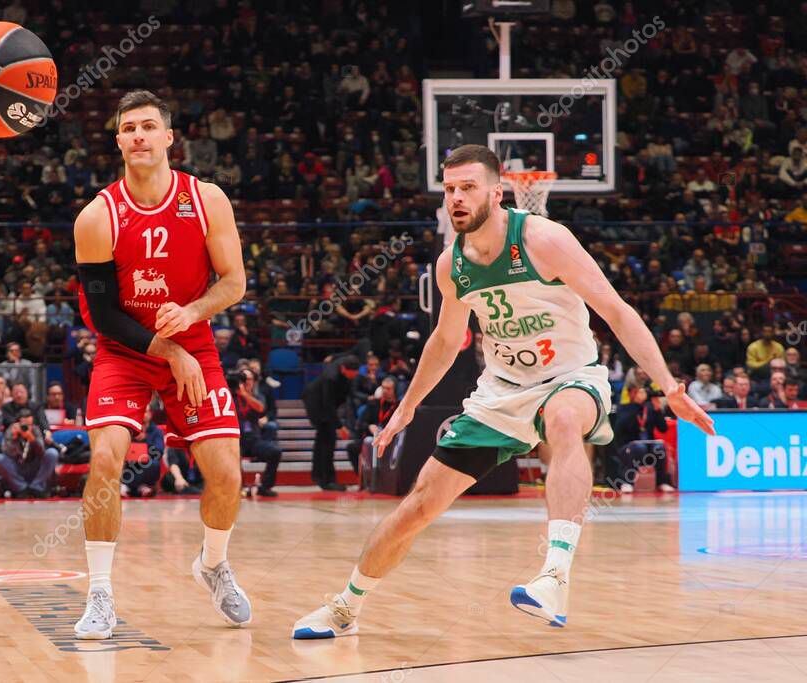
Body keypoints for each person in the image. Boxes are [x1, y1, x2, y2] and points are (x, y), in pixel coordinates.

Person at [292, 144, 714, 638]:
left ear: (498, 191)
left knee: (561, 422)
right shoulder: (452, 265)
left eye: (468, 187)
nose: (456, 198)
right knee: (419, 505)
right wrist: (406, 407)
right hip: (500, 392)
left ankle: (554, 577)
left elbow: (617, 311)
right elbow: (447, 340)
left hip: (569, 376)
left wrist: (669, 385)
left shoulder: (545, 240)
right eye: (450, 189)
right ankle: (344, 608)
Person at [73, 90, 249, 639]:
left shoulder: (207, 200)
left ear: (170, 137)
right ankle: (100, 593)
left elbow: (235, 284)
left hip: (194, 346)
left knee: (225, 473)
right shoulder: (97, 216)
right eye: (129, 129)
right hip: (128, 352)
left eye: (149, 127)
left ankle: (213, 564)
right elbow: (103, 316)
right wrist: (167, 349)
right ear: (119, 140)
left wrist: (191, 316)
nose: (140, 137)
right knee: (105, 461)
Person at [301, 355, 360, 491]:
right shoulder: (330, 378)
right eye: (353, 372)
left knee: (322, 440)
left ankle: (318, 476)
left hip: (325, 402)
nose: (355, 375)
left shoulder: (343, 364)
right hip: (316, 404)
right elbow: (328, 405)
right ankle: (327, 481)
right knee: (328, 440)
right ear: (344, 369)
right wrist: (339, 427)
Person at [614, 387, 673, 493]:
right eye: (639, 392)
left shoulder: (650, 409)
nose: (642, 394)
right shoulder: (624, 408)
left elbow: (663, 429)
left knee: (659, 447)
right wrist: (635, 407)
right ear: (633, 394)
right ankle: (627, 482)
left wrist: (658, 410)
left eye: (643, 392)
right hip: (628, 445)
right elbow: (621, 427)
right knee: (639, 447)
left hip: (648, 445)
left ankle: (662, 482)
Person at [234, 369, 281, 497]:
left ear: (254, 382)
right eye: (243, 379)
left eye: (249, 379)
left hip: (253, 439)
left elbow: (260, 408)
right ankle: (240, 488)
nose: (246, 382)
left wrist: (245, 395)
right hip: (236, 440)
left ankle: (265, 487)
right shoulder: (231, 397)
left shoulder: (258, 396)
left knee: (275, 452)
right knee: (234, 454)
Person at [0, 409, 59, 498]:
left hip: (34, 467)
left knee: (52, 453)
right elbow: (6, 451)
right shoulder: (11, 431)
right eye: (24, 425)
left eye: (29, 425)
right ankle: (21, 488)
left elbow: (41, 451)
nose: (27, 428)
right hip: (17, 466)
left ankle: (37, 487)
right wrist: (14, 438)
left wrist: (32, 439)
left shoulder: (35, 429)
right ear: (17, 423)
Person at [346, 377, 400, 475]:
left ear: (395, 389)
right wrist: (369, 426)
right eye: (383, 388)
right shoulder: (374, 403)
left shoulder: (399, 406)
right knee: (352, 447)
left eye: (388, 389)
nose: (385, 391)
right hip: (373, 438)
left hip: (392, 439)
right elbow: (360, 424)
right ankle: (362, 476)